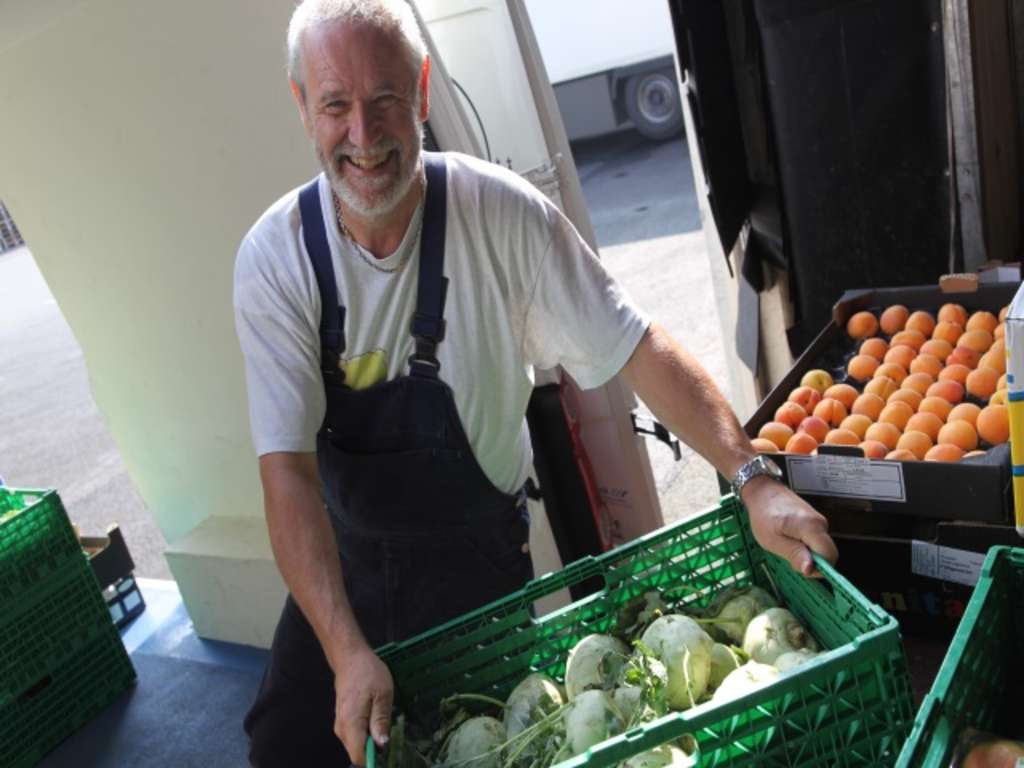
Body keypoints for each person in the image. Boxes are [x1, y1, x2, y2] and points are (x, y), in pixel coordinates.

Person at [233, 1, 838, 765]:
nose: (363, 133)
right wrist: (346, 650)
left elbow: (636, 345)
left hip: (476, 573)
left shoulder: (501, 215)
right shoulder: (276, 261)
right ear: (302, 107)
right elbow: (285, 470)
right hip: (341, 571)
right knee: (284, 752)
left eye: (385, 98)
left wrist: (752, 479)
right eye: (336, 105)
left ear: (421, 92)